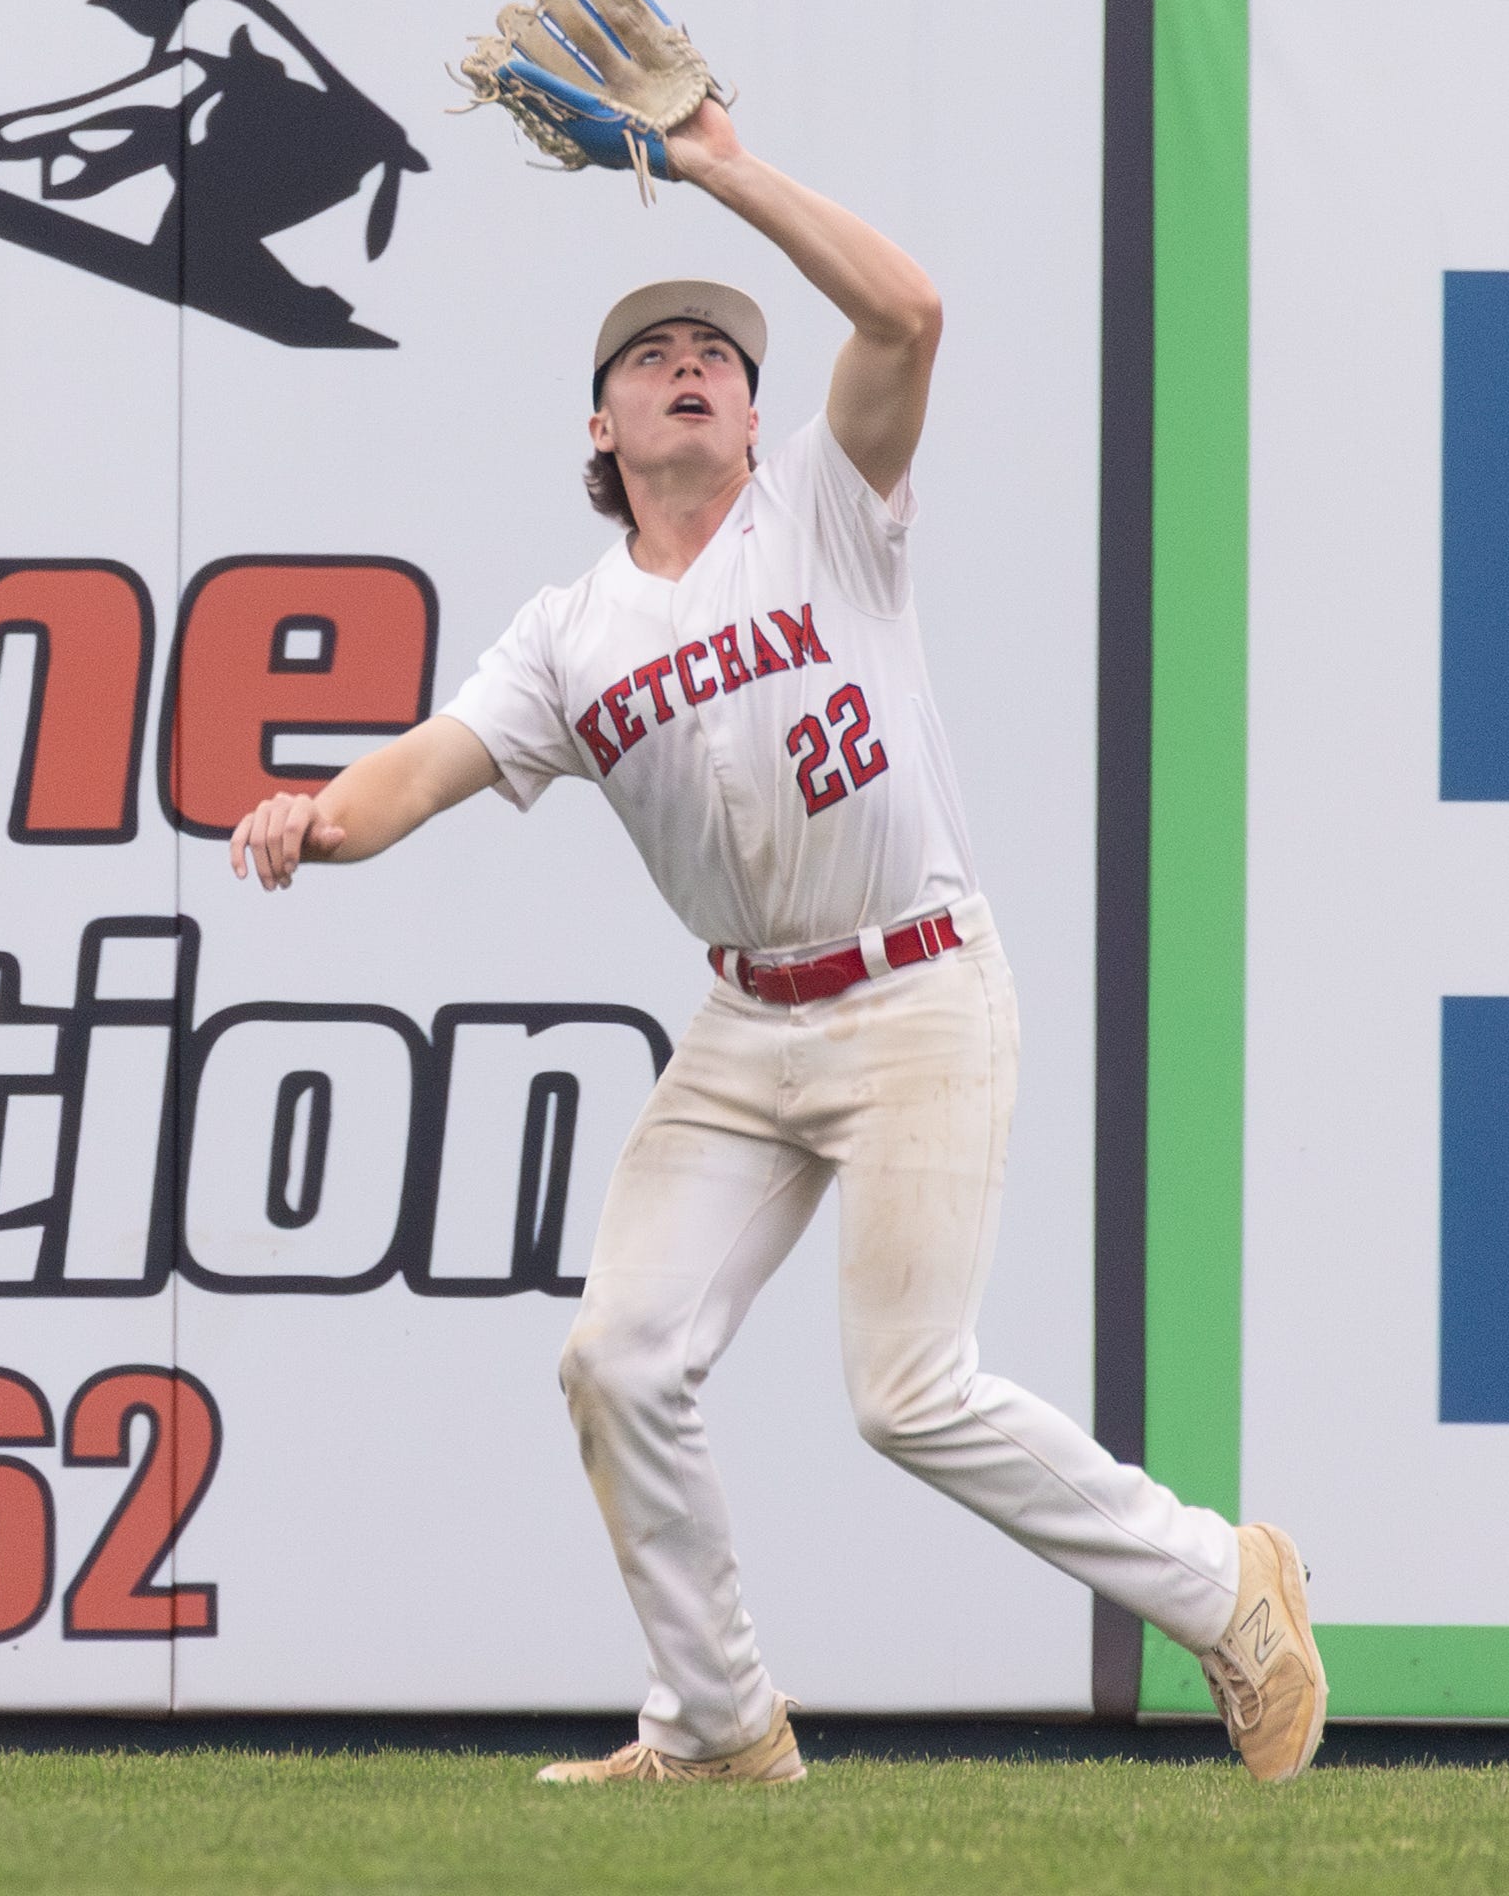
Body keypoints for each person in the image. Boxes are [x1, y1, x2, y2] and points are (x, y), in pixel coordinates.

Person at [231, 90, 1327, 1787]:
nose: (692, 362)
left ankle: (1226, 1589)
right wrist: (314, 816)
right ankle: (720, 1722)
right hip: (747, 1033)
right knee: (618, 1358)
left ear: (751, 419)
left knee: (907, 1393)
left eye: (720, 356)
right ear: (597, 429)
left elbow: (907, 314)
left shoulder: (823, 507)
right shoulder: (569, 634)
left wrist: (717, 170)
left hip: (916, 992)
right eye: (652, 351)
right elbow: (422, 774)